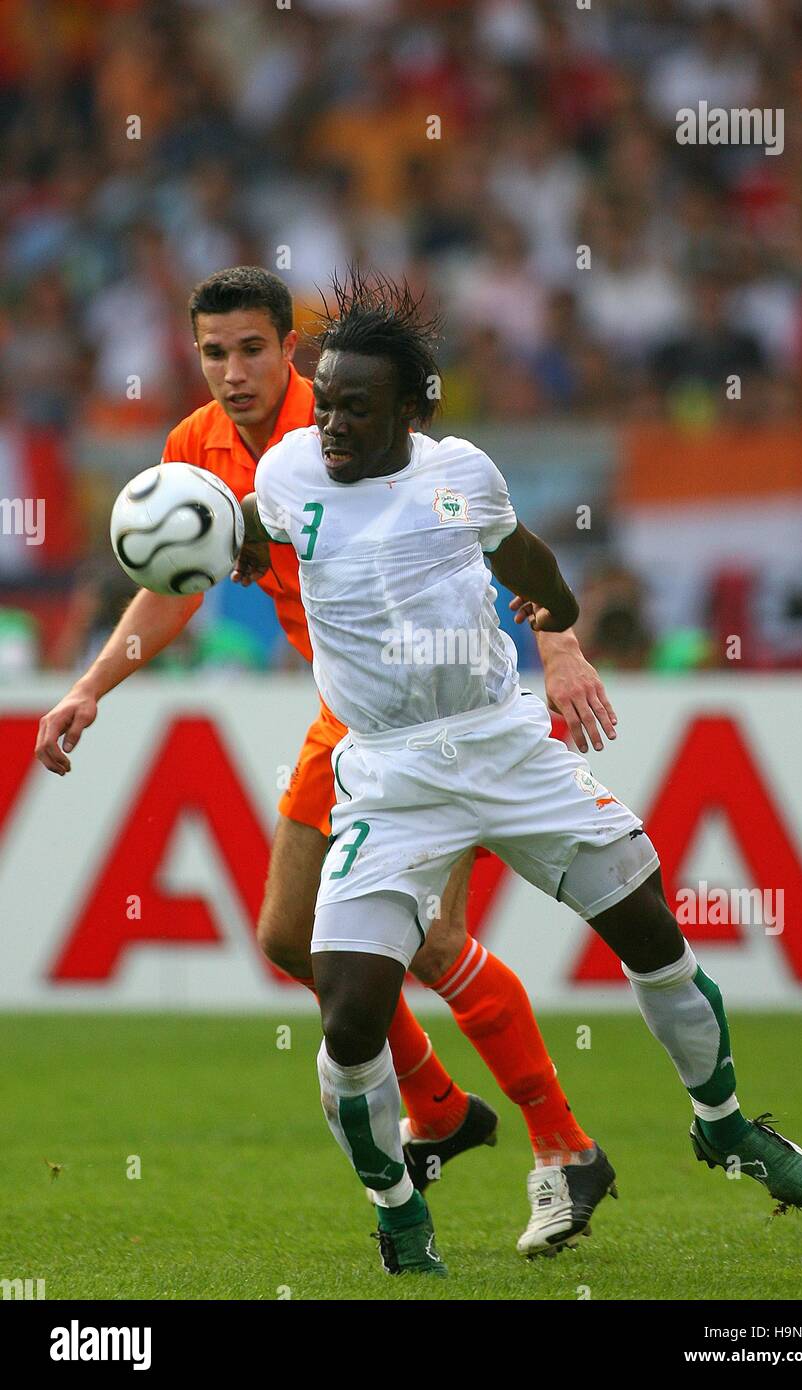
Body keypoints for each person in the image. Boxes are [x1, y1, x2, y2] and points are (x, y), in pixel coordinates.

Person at [241, 269, 802, 1277]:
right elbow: (254, 543)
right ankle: (395, 1208)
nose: (331, 422)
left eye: (355, 407)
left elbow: (531, 567)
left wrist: (558, 639)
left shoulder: (459, 473)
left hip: (501, 742)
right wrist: (197, 539)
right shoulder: (289, 472)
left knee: (649, 930)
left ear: (414, 410)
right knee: (344, 1011)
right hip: (385, 772)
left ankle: (723, 1124)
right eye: (325, 400)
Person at [35, 265, 627, 1257]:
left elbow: (491, 533)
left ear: (291, 351)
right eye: (213, 353)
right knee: (287, 936)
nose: (232, 372)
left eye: (251, 349)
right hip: (344, 718)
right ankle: (438, 1109)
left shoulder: (358, 412)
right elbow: (177, 584)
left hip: (438, 718)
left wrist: (560, 646)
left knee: (430, 947)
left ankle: (564, 1147)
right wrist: (92, 684)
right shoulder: (197, 450)